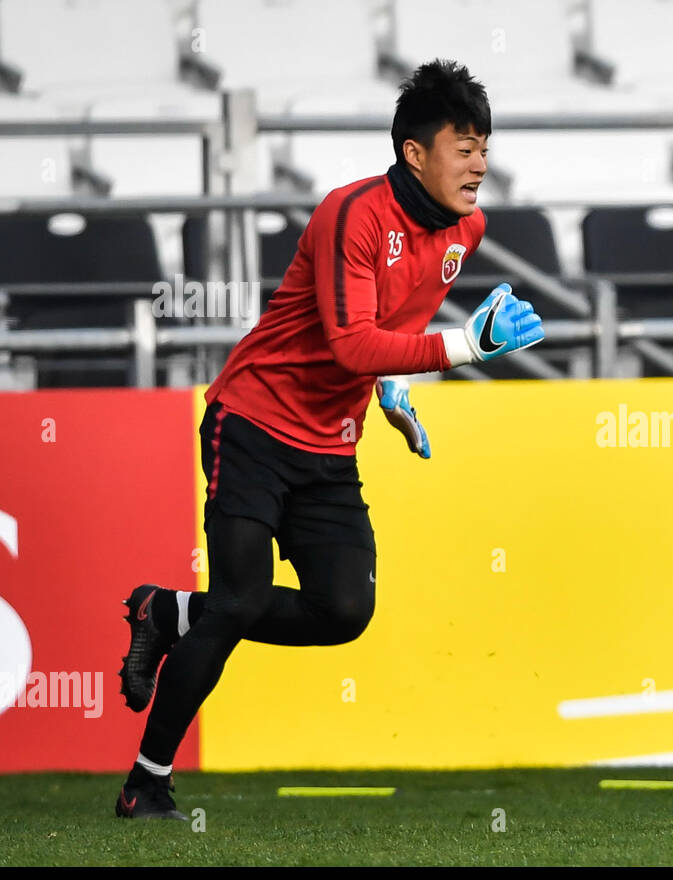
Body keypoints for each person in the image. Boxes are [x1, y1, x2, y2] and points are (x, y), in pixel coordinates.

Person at [114, 60, 543, 819]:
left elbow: (394, 326)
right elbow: (351, 343)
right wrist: (464, 349)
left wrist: (397, 393)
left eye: (485, 147)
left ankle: (167, 614)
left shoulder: (466, 229)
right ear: (416, 153)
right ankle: (148, 782)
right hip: (251, 419)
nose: (481, 164)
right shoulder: (353, 214)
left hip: (328, 445)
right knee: (241, 600)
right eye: (464, 147)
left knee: (345, 611)